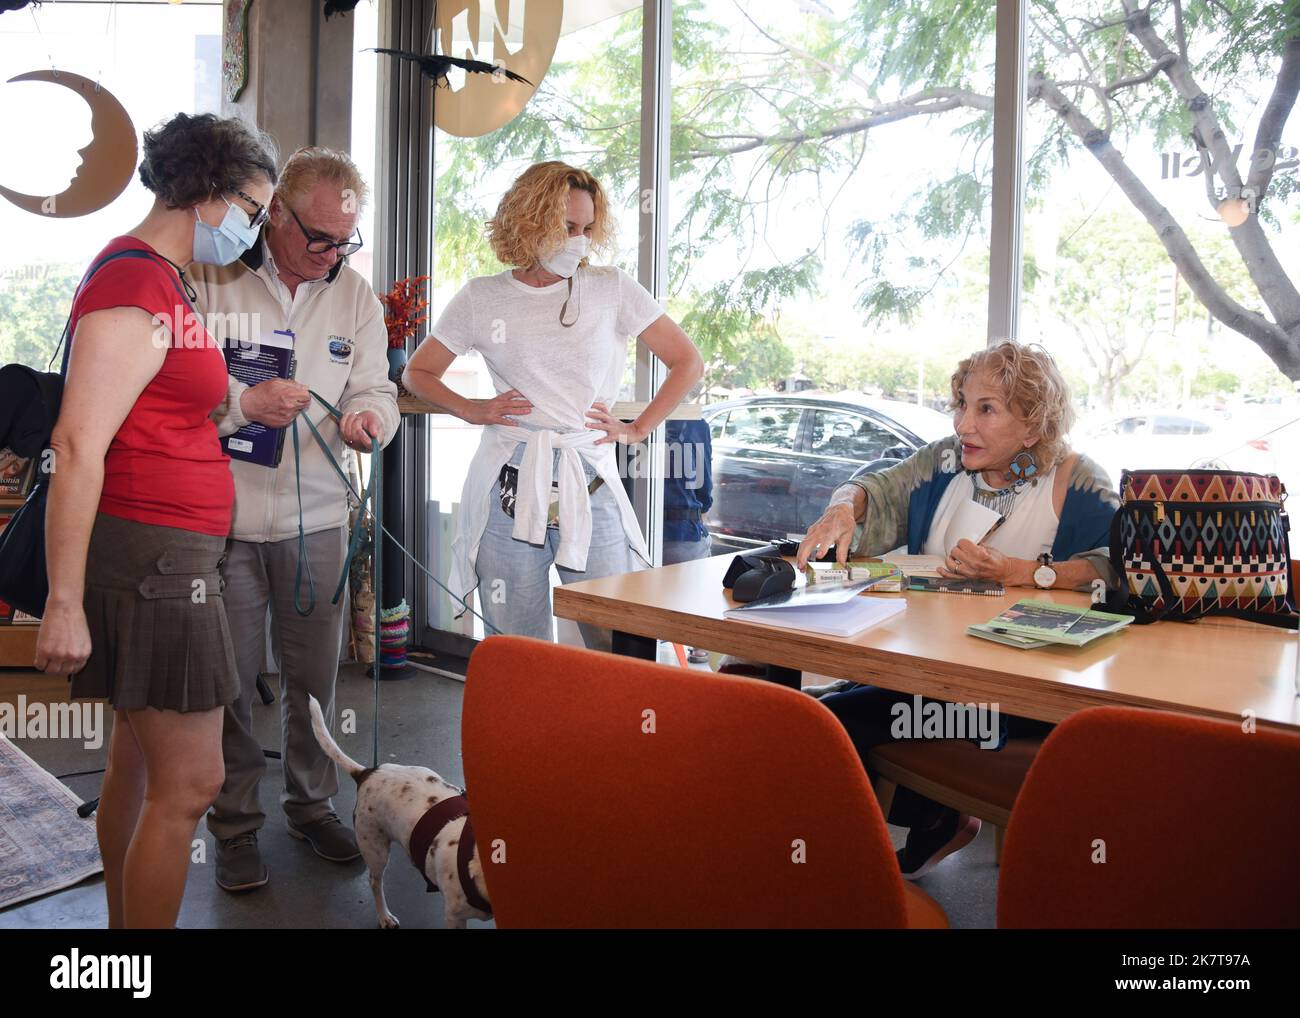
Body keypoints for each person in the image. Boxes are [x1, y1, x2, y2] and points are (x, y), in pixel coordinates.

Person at [35, 112, 278, 928]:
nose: (253, 227)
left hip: (165, 553)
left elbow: (153, 415)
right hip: (158, 564)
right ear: (208, 193)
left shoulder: (164, 279)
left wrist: (230, 410)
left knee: (135, 767)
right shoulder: (135, 282)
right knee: (192, 785)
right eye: (252, 205)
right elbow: (75, 444)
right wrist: (63, 602)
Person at [796, 341, 1119, 878]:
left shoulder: (1075, 479)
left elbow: (1120, 564)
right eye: (962, 404)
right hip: (932, 673)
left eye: (986, 409)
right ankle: (932, 822)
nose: (963, 424)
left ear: (1034, 427)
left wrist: (1023, 571)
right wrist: (839, 509)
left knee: (836, 719)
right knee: (824, 700)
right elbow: (876, 486)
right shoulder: (946, 461)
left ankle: (845, 877)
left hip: (1016, 702)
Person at [190, 147, 400, 892]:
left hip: (318, 518)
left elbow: (379, 388)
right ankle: (235, 822)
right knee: (234, 681)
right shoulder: (210, 281)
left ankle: (311, 805)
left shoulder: (356, 297)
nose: (332, 255)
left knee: (314, 679)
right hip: (226, 518)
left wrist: (370, 418)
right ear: (275, 211)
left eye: (345, 241)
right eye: (319, 238)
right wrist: (239, 408)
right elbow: (174, 397)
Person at [404, 161, 703, 646]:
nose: (580, 241)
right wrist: (473, 408)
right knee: (515, 644)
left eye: (587, 228)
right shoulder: (483, 298)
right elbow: (416, 372)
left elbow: (687, 361)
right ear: (530, 219)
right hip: (509, 480)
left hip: (587, 476)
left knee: (614, 637)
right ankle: (523, 723)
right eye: (568, 227)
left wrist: (637, 428)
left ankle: (612, 723)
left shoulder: (612, 288)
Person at [663, 416, 714, 662]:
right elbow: (703, 481)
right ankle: (700, 645)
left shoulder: (629, 417)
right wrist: (703, 507)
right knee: (701, 588)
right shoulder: (695, 424)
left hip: (634, 535)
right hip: (682, 532)